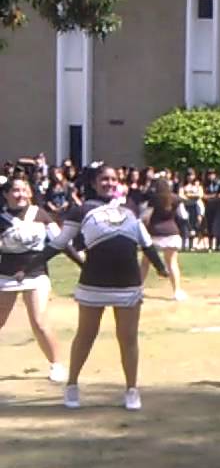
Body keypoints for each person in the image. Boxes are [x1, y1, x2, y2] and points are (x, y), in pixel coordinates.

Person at [50, 164, 169, 411]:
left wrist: (160, 266)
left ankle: (132, 389)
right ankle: (72, 385)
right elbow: (60, 243)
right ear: (94, 182)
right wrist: (30, 265)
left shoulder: (130, 208)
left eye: (113, 179)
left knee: (128, 338)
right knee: (86, 335)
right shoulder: (82, 209)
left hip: (128, 282)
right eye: (104, 179)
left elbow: (145, 241)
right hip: (94, 282)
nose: (109, 183)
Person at [0, 174, 77, 383]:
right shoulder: (1, 217)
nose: (20, 194)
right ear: (6, 194)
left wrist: (82, 264)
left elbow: (61, 241)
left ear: (30, 192)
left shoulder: (40, 214)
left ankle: (57, 364)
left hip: (36, 275)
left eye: (24, 190)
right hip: (6, 276)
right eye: (15, 190)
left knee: (39, 322)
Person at [139, 182, 187, 301]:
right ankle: (177, 292)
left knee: (145, 263)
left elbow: (145, 216)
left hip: (154, 234)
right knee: (172, 263)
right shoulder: (176, 199)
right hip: (172, 232)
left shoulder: (154, 199)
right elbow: (184, 216)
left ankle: (137, 290)